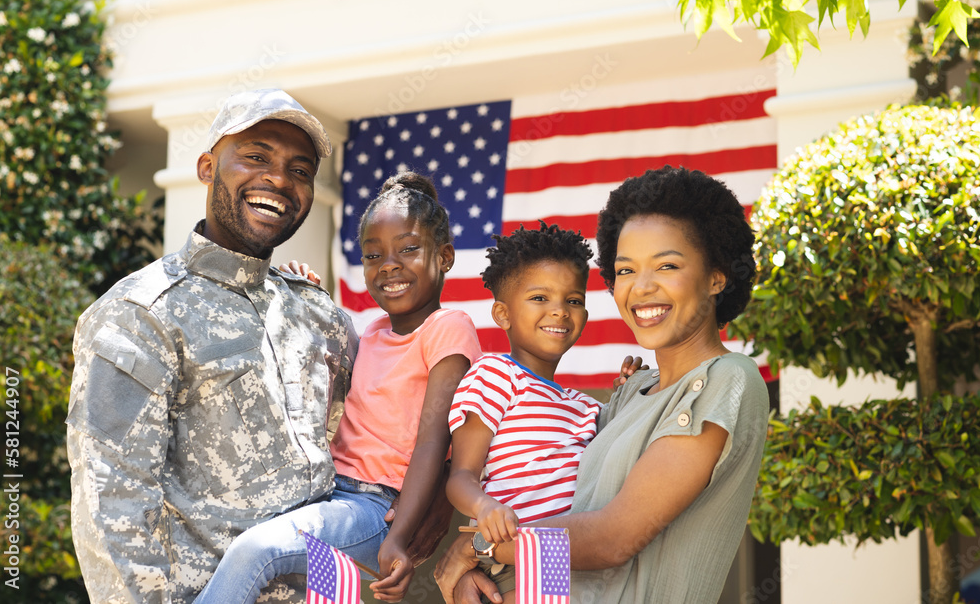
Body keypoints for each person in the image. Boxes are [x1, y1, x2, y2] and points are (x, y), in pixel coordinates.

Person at [67, 89, 434, 604]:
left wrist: (439, 510)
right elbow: (112, 499)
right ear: (207, 167)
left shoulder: (319, 314)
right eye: (257, 157)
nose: (279, 180)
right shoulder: (141, 313)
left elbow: (395, 419)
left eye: (300, 170)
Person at [435, 166, 771, 604]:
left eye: (667, 265)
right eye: (626, 270)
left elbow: (612, 539)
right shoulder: (630, 393)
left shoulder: (727, 379)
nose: (642, 288)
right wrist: (477, 571)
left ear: (716, 276)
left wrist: (480, 548)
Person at [192, 171, 482, 603]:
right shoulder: (375, 331)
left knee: (258, 551)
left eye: (408, 249)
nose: (389, 265)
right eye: (372, 255)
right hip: (328, 492)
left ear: (444, 256)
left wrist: (398, 539)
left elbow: (432, 441)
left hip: (378, 510)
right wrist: (307, 293)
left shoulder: (447, 328)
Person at [446, 222, 606, 603]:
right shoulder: (495, 375)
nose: (560, 312)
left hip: (570, 566)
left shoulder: (586, 406)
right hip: (511, 565)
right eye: (539, 298)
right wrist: (485, 506)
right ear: (503, 314)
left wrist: (628, 387)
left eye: (574, 300)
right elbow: (461, 476)